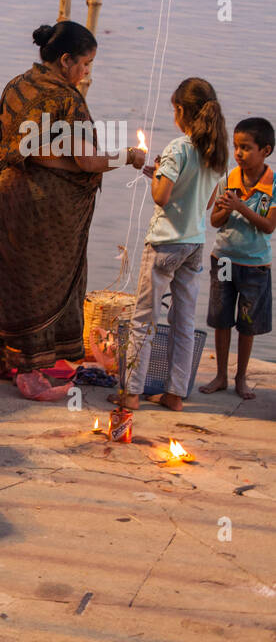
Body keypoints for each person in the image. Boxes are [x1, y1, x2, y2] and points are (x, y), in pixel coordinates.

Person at [0, 21, 146, 382]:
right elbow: (87, 160)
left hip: (3, 194)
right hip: (41, 205)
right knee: (40, 283)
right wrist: (130, 156)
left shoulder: (17, 84)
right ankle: (31, 370)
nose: (86, 72)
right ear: (65, 59)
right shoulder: (65, 98)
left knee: (8, 277)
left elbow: (14, 144)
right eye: (85, 64)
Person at [112, 79, 229, 411]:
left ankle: (132, 392)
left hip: (165, 244)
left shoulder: (180, 148)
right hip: (194, 244)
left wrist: (160, 180)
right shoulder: (218, 153)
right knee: (184, 320)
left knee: (143, 319)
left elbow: (162, 197)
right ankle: (176, 393)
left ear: (181, 111)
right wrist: (164, 175)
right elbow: (206, 203)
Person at [200, 116, 275, 400]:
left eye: (246, 147)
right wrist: (228, 208)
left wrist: (241, 207)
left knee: (247, 323)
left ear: (265, 150)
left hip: (255, 265)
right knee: (221, 318)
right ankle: (220, 375)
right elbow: (216, 221)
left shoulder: (272, 185)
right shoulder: (228, 180)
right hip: (225, 260)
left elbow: (268, 226)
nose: (239, 154)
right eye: (236, 147)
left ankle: (240, 377)